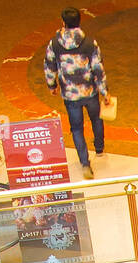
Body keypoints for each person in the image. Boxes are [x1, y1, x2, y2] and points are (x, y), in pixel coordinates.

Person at [44, 7, 111, 179]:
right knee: (96, 119)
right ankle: (99, 148)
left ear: (63, 23)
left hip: (70, 94)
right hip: (90, 92)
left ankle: (84, 163)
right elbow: (98, 68)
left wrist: (52, 85)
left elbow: (49, 67)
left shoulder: (55, 44)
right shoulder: (89, 43)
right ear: (79, 22)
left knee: (76, 129)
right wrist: (105, 92)